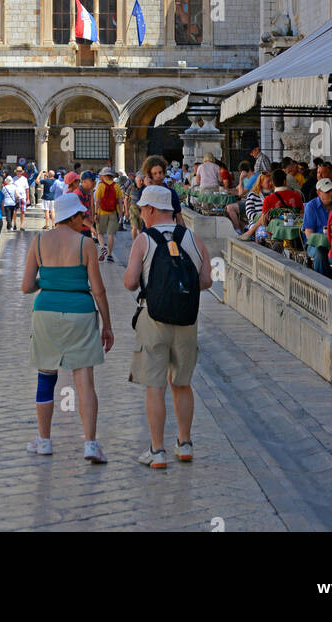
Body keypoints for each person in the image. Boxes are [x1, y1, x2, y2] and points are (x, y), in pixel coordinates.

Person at [124, 186, 212, 467]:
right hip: (187, 320)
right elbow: (207, 281)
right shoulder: (194, 240)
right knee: (182, 384)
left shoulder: (143, 241)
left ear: (150, 210)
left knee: (155, 386)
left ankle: (157, 450)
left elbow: (129, 282)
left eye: (141, 210)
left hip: (154, 319)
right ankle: (185, 444)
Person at [22, 192, 113, 462]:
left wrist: (48, 283)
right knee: (84, 381)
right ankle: (90, 444)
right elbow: (98, 289)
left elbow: (26, 286)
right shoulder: (86, 245)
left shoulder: (38, 241)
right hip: (81, 313)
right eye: (82, 216)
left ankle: (44, 440)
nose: (84, 220)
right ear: (71, 217)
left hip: (46, 312)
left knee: (45, 378)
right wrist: (107, 325)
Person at [302, 178, 332, 278]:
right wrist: (322, 240)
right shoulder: (311, 206)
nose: (331, 193)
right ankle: (322, 281)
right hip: (315, 245)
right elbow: (309, 235)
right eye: (327, 191)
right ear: (319, 193)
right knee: (320, 252)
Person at [142, 156, 184, 225]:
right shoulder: (144, 193)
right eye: (155, 173)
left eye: (160, 172)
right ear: (149, 175)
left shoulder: (171, 193)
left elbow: (179, 216)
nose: (158, 176)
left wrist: (183, 234)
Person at [94, 168, 121, 262]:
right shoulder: (116, 186)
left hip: (102, 212)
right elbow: (119, 201)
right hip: (113, 213)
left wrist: (95, 213)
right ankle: (109, 255)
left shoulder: (101, 185)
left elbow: (97, 200)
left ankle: (102, 248)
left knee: (100, 233)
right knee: (110, 235)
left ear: (105, 176)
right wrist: (121, 213)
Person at [239, 172, 275, 241]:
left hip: (271, 222)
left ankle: (249, 234)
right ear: (261, 183)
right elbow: (249, 213)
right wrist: (262, 218)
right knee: (261, 232)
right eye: (268, 181)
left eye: (272, 181)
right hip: (255, 223)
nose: (271, 183)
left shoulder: (274, 195)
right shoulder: (252, 195)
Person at [225, 162, 255, 232]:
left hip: (252, 203)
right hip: (246, 201)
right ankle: (243, 227)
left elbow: (241, 194)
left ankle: (238, 231)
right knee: (227, 207)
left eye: (241, 172)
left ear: (244, 172)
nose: (241, 174)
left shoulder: (253, 178)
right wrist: (227, 190)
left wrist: (241, 179)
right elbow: (237, 190)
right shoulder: (248, 178)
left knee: (230, 208)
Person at [126, 171, 146, 241]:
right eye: (139, 181)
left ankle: (140, 242)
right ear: (136, 181)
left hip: (142, 210)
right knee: (134, 227)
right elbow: (126, 199)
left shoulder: (145, 188)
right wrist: (126, 211)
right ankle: (134, 242)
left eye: (142, 181)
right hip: (133, 209)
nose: (141, 182)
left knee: (140, 229)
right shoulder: (131, 188)